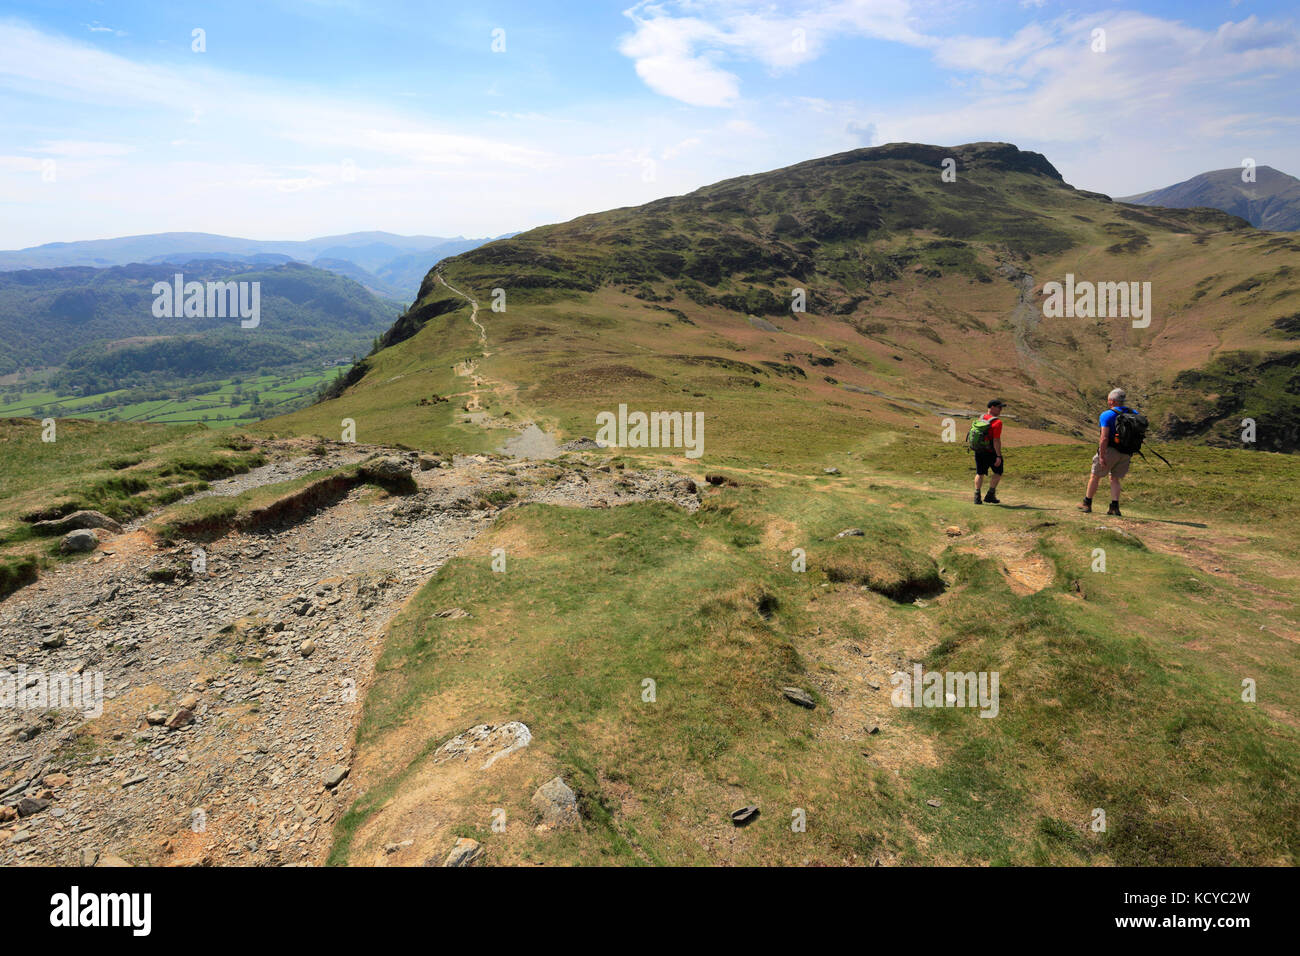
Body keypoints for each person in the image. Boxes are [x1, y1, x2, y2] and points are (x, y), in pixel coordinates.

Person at [1079, 387, 1138, 516]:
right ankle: (1114, 507)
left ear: (1112, 401)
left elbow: (1104, 437)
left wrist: (1101, 455)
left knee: (1095, 476)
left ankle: (1087, 503)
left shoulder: (1107, 415)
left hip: (1110, 450)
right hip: (1126, 452)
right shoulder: (1134, 414)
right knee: (1115, 479)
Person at [969, 399, 1005, 504]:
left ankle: (977, 496)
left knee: (979, 473)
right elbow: (996, 440)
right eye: (999, 407)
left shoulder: (981, 418)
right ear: (992, 407)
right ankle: (990, 495)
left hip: (979, 450)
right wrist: (998, 455)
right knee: (998, 472)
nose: (1001, 410)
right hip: (991, 452)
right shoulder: (997, 422)